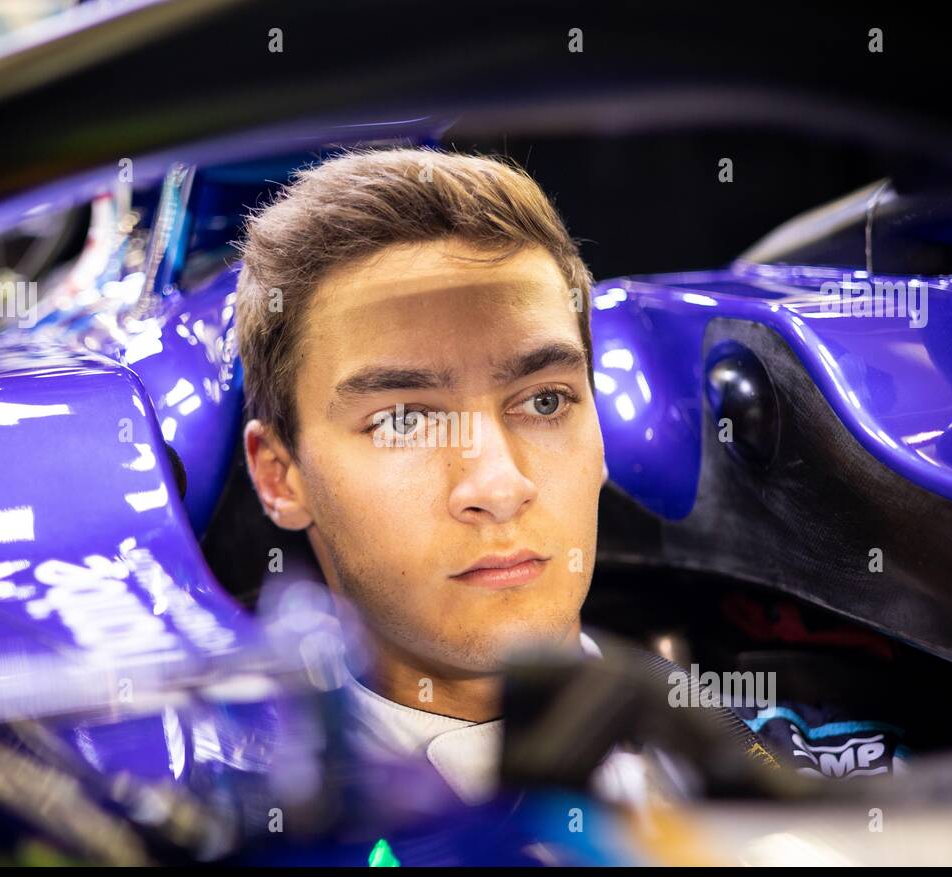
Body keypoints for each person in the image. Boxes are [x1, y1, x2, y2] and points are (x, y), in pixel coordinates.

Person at [233, 146, 647, 804]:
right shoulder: (221, 819)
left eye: (544, 401)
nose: (499, 486)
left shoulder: (799, 748)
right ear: (281, 478)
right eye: (403, 421)